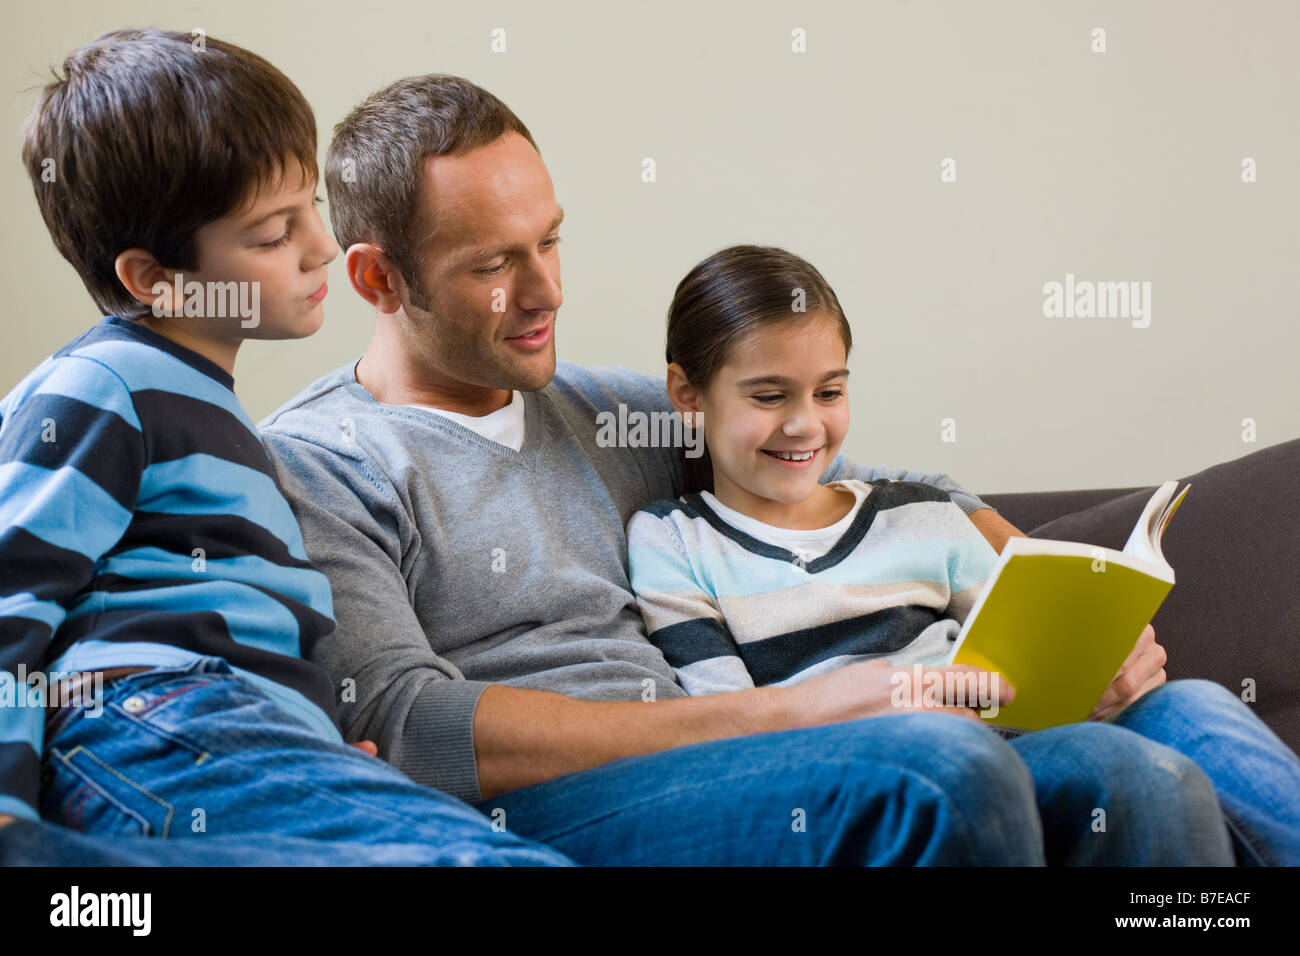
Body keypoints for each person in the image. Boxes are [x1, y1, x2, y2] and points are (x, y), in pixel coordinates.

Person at [257, 73, 1247, 865]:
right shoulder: (315, 461)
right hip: (539, 811)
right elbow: (405, 720)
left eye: (551, 240)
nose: (546, 288)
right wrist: (794, 711)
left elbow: (889, 485)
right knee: (934, 766)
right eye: (492, 265)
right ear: (378, 278)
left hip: (732, 768)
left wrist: (1070, 615)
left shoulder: (611, 413)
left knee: (1130, 775)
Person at [0, 29, 572, 867]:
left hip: (247, 734)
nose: (322, 247)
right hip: (157, 721)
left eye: (312, 205)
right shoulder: (103, 385)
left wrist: (316, 743)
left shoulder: (216, 417)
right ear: (153, 279)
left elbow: (249, 629)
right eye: (273, 234)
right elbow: (11, 597)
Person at [628, 244, 1003, 694]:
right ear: (689, 397)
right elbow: (727, 717)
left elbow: (1023, 661)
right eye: (769, 397)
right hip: (848, 739)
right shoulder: (674, 542)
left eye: (828, 393)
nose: (805, 426)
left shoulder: (925, 513)